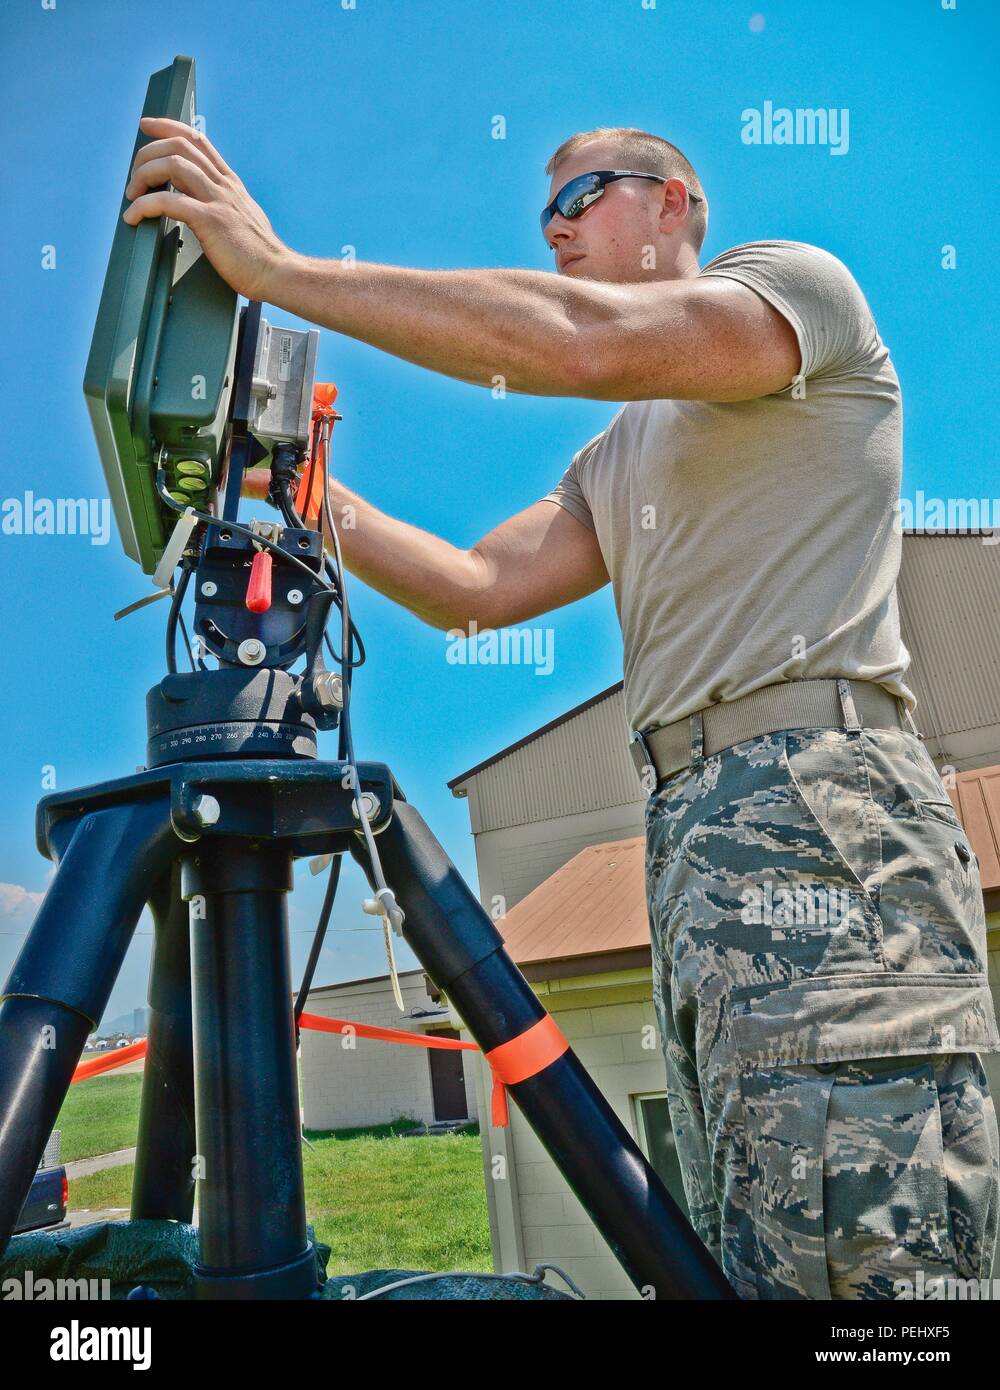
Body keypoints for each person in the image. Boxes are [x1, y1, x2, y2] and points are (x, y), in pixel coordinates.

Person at [124, 119, 1000, 1300]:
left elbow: (583, 339)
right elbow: (473, 589)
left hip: (825, 816)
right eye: (545, 211)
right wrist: (301, 486)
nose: (557, 226)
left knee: (871, 1265)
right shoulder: (616, 456)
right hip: (695, 839)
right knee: (762, 1249)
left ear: (676, 203)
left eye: (583, 195)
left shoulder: (794, 292)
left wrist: (278, 271)